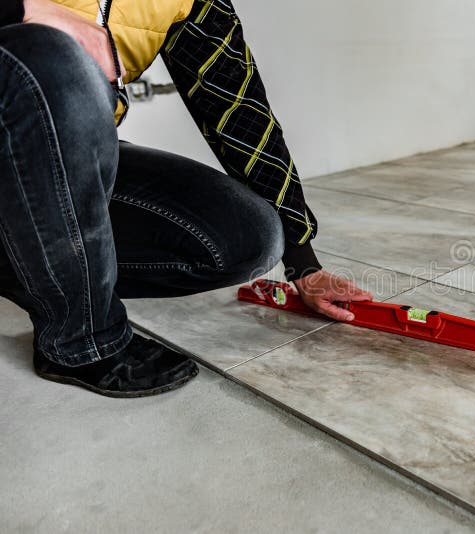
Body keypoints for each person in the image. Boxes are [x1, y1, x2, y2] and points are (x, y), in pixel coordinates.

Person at [0, 0, 372, 398]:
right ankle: (83, 341)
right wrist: (25, 9)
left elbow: (238, 111)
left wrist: (303, 265)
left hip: (54, 169)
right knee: (51, 54)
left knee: (248, 237)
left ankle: (28, 265)